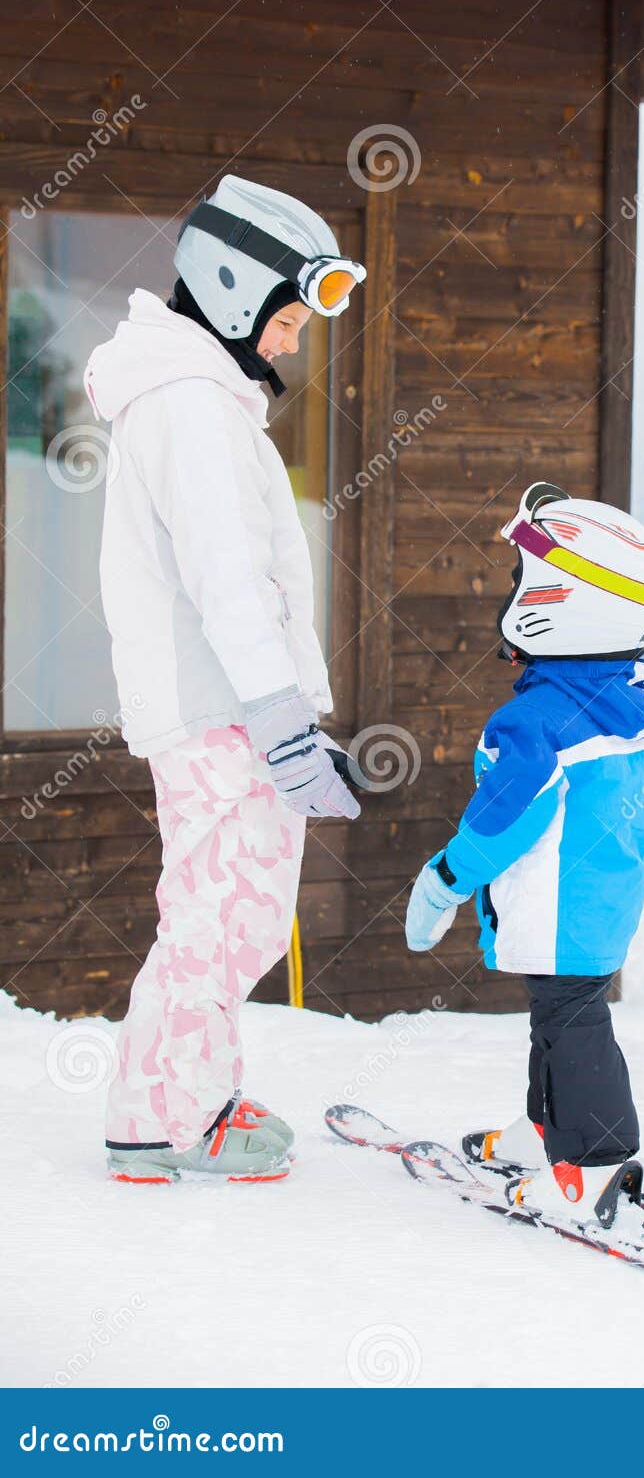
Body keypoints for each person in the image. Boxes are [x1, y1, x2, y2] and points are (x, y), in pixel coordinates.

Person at [84, 174, 366, 1184]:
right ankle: (170, 1116)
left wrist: (283, 714)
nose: (292, 341)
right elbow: (228, 580)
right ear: (237, 295)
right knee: (220, 914)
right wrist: (281, 720)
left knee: (224, 909)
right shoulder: (192, 407)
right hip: (223, 711)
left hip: (228, 707)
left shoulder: (199, 402)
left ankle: (181, 1097)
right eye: (287, 319)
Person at [405, 481, 644, 1234]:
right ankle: (545, 1133)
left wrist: (446, 878)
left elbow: (503, 822)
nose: (510, 594)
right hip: (602, 895)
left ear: (562, 604)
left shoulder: (535, 723)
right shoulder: (632, 694)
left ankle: (592, 1165)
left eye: (522, 580)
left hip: (557, 903)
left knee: (570, 1022)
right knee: (555, 1016)